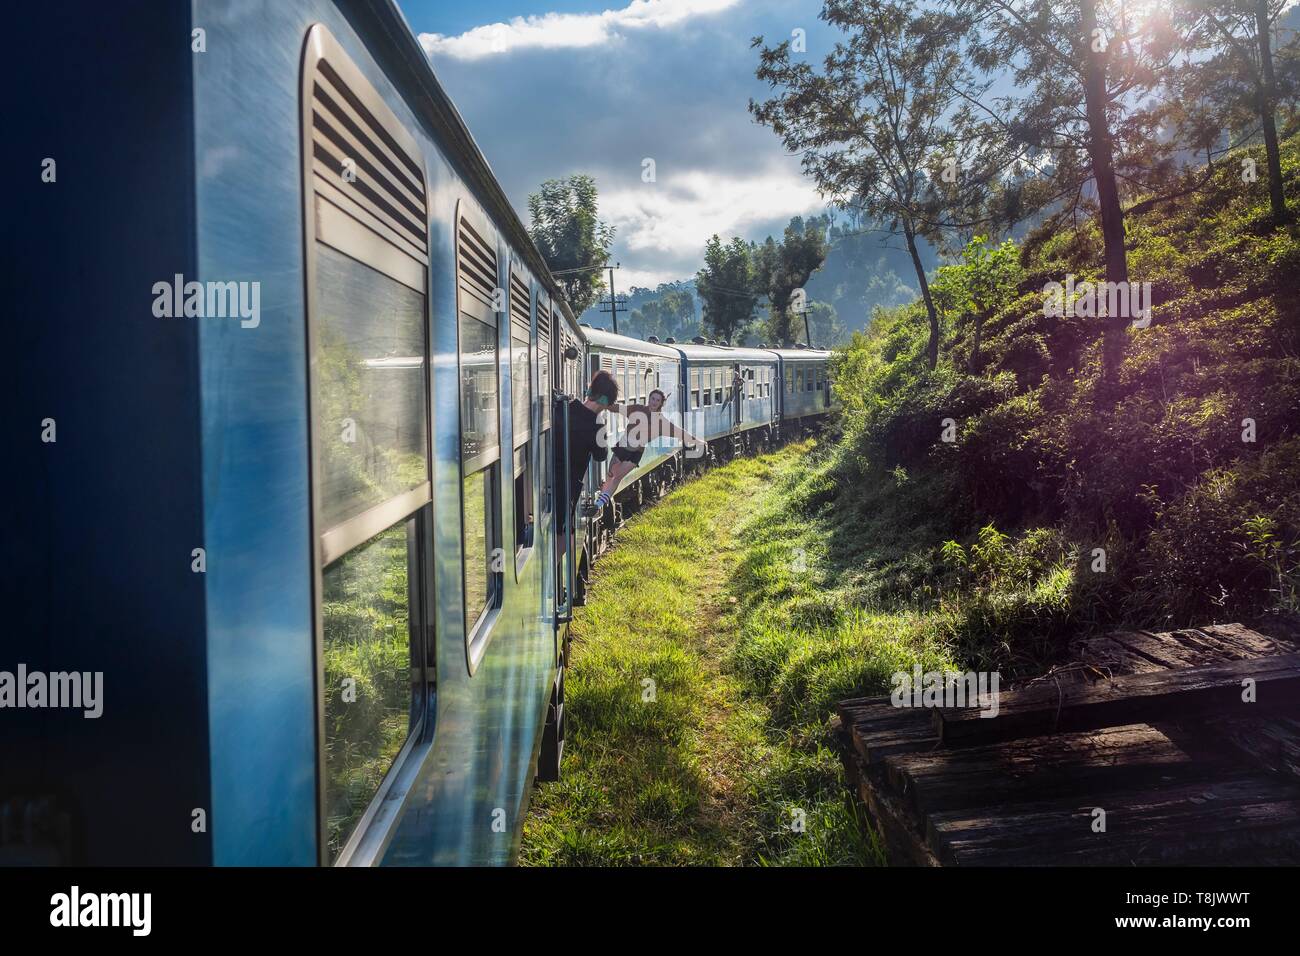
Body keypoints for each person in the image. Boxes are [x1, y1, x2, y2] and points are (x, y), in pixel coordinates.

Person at [582, 388, 702, 516]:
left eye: (657, 400)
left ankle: (598, 505)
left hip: (636, 453)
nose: (654, 402)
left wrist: (697, 441)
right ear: (649, 399)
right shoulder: (637, 409)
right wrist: (597, 401)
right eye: (652, 398)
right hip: (622, 448)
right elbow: (616, 408)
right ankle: (600, 502)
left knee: (617, 477)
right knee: (611, 475)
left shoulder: (661, 422)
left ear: (661, 403)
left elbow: (680, 432)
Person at [557, 370, 620, 532]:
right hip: (568, 484)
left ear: (590, 392)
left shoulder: (564, 408)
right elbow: (601, 456)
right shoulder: (596, 426)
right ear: (604, 401)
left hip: (548, 481)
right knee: (563, 533)